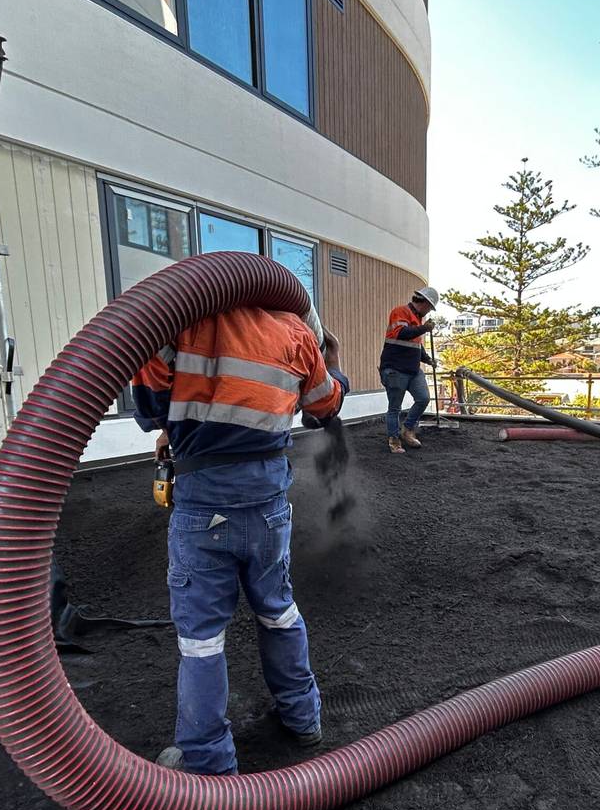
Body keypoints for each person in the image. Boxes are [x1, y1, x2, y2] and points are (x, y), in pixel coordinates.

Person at [131, 308, 349, 775]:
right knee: (278, 611)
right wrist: (334, 366)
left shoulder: (178, 321)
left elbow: (148, 411)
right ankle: (302, 717)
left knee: (202, 638)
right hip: (268, 506)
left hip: (202, 508)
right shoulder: (294, 331)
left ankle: (208, 760)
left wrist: (183, 420)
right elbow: (325, 408)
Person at [379, 286, 439, 453]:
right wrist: (424, 328)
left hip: (413, 370)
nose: (428, 312)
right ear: (425, 303)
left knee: (423, 398)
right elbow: (402, 333)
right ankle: (394, 440)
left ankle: (407, 430)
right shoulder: (400, 312)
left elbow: (416, 346)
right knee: (395, 408)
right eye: (430, 308)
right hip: (395, 369)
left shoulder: (417, 320)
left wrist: (428, 359)